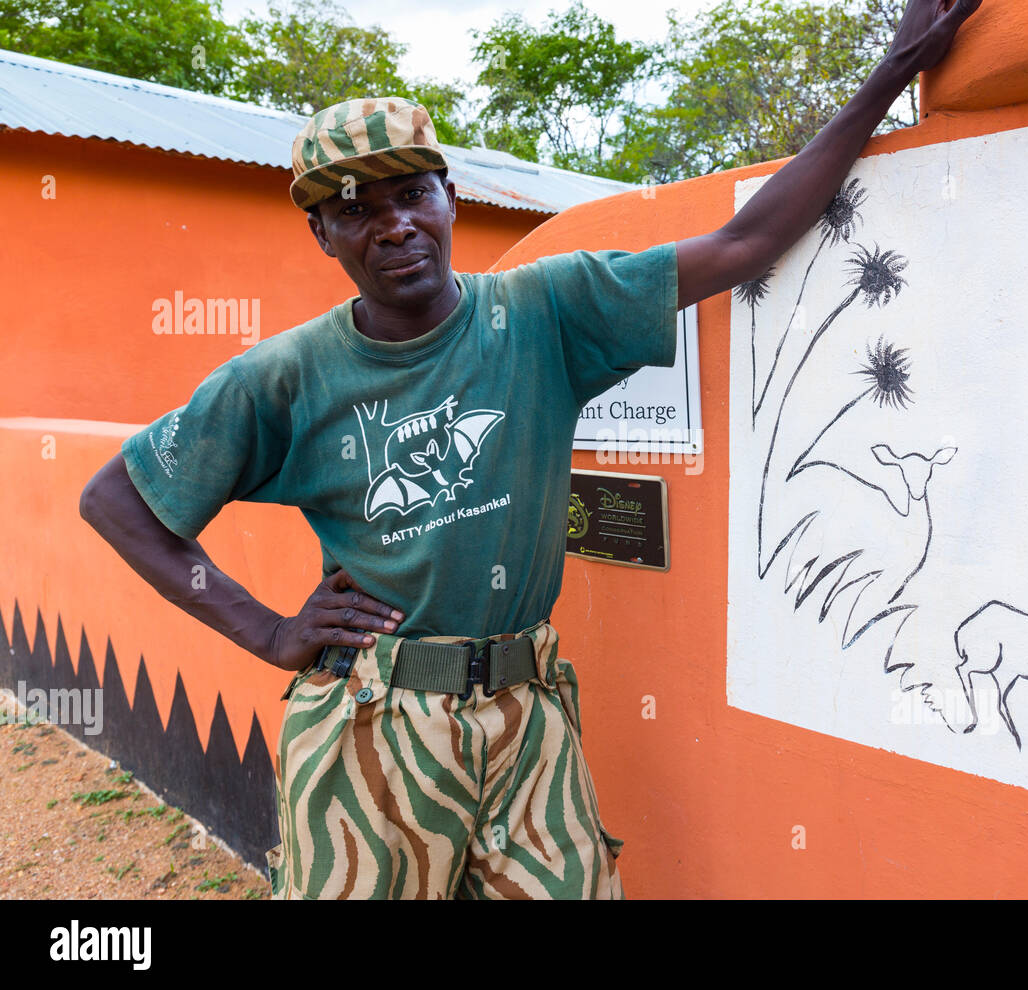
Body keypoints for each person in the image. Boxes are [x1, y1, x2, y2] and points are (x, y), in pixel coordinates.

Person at [78, 0, 981, 899]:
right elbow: (116, 501)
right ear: (322, 233)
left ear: (449, 199)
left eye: (411, 194)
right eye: (354, 210)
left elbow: (743, 243)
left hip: (528, 709)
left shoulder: (543, 310)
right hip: (372, 725)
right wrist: (269, 631)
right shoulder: (286, 376)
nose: (393, 225)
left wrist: (891, 73)